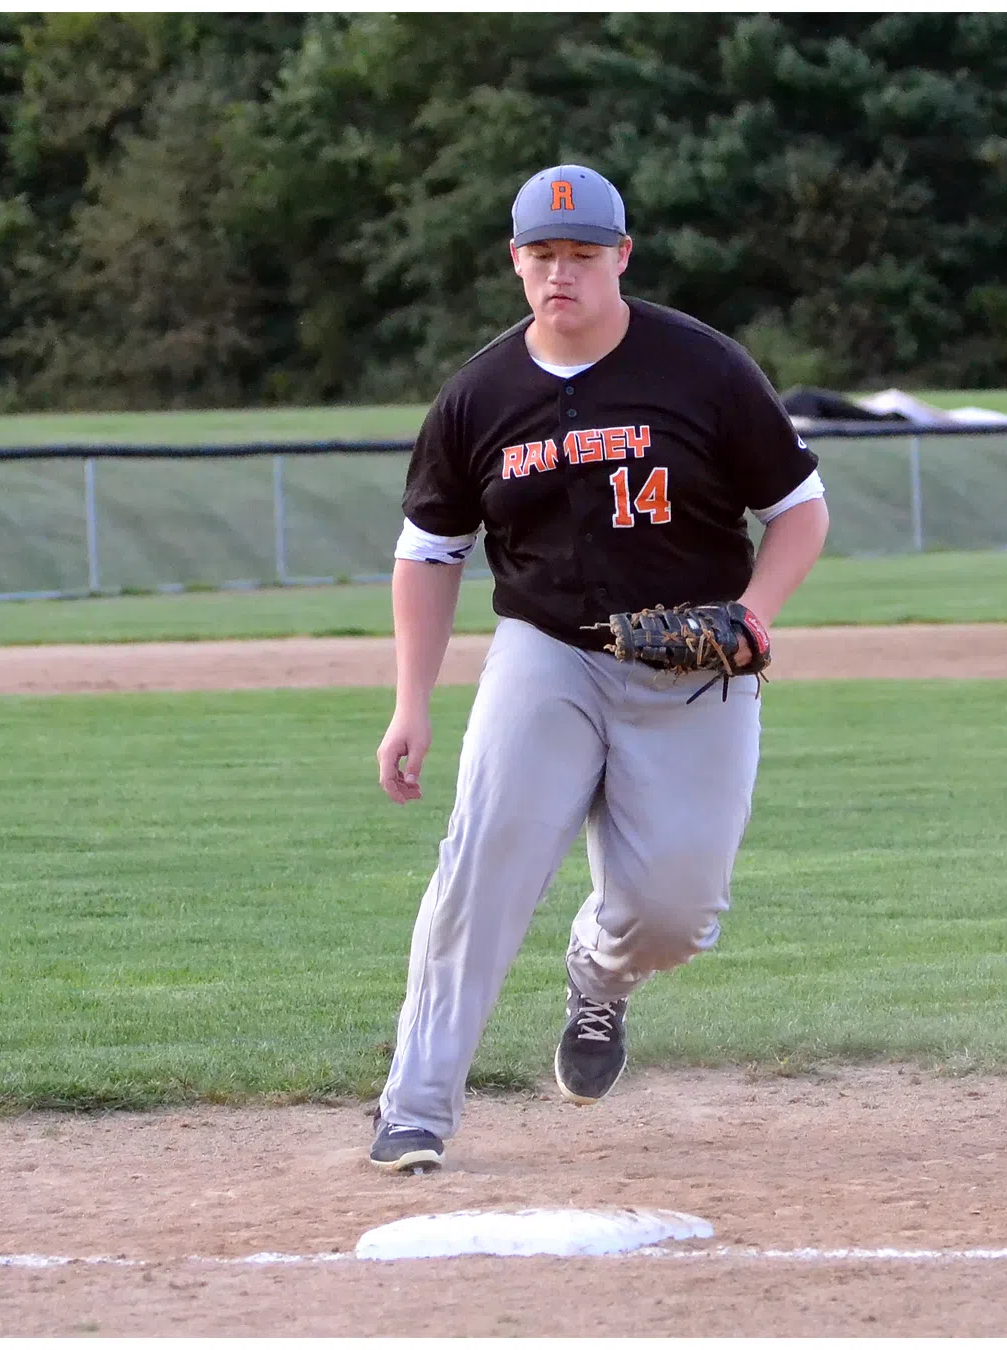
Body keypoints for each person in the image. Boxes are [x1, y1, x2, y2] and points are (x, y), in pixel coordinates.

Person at [366, 164, 830, 1174]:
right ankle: (416, 1104)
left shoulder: (703, 370)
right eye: (542, 254)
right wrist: (412, 703)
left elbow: (799, 508)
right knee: (482, 866)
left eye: (582, 254)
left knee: (675, 912)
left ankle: (599, 977)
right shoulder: (478, 396)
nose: (560, 273)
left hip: (692, 667)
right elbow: (429, 551)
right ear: (515, 262)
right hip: (548, 653)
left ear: (623, 255)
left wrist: (755, 611)